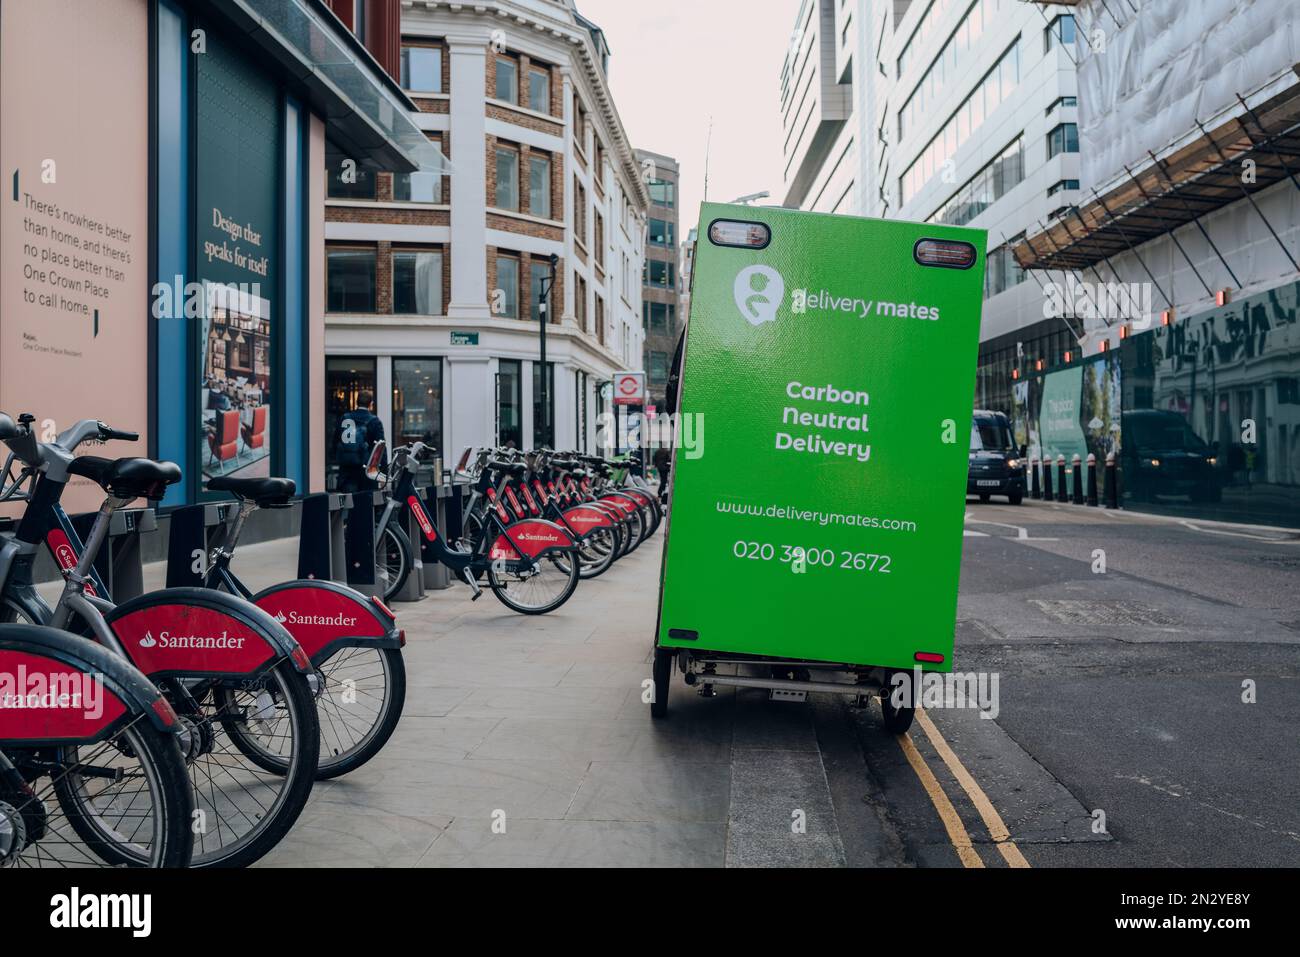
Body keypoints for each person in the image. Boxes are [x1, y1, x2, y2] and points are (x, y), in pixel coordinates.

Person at [335, 390, 386, 493]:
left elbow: (336, 441)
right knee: (365, 503)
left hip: (346, 470)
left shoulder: (345, 418)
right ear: (371, 404)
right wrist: (384, 471)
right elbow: (380, 449)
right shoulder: (374, 421)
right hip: (365, 471)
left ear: (356, 402)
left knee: (348, 503)